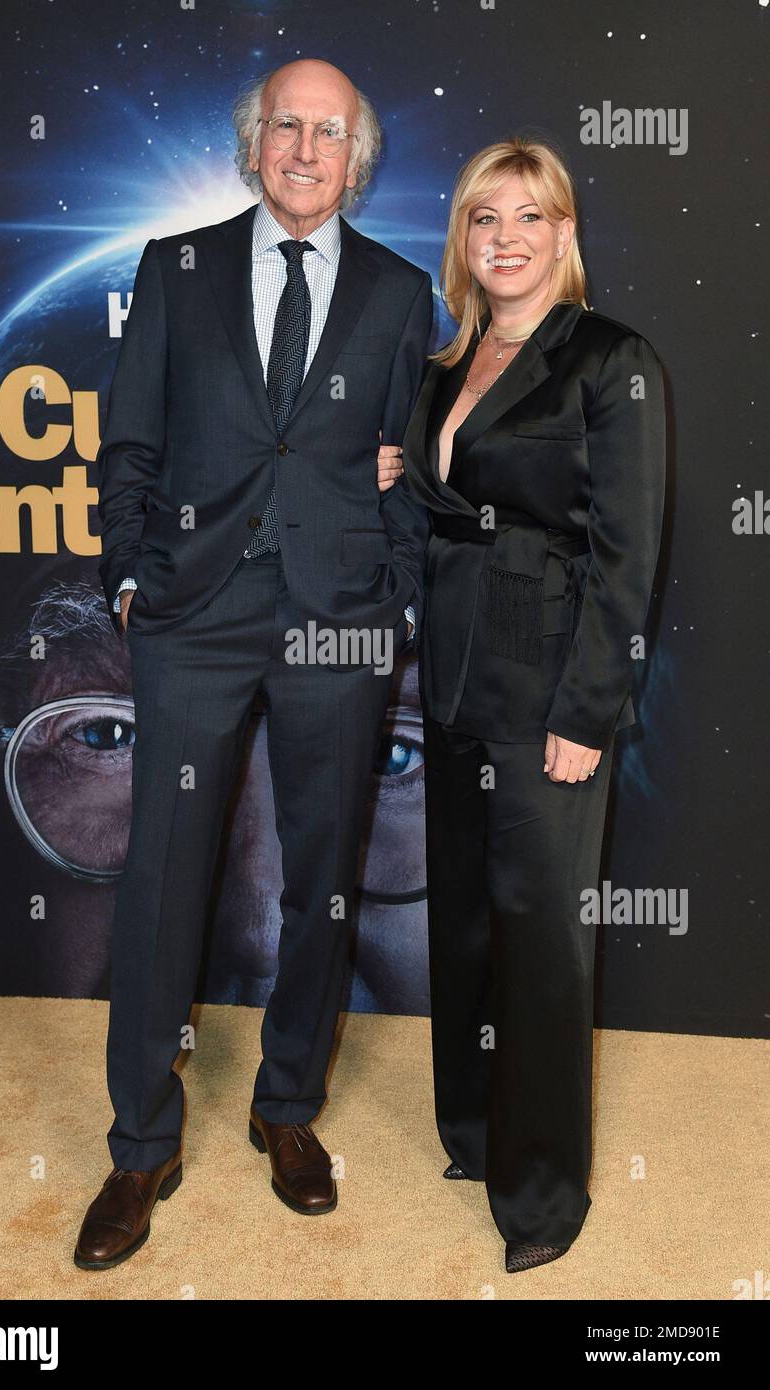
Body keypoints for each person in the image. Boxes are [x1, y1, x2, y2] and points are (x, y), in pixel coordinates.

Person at [75, 58, 432, 1270]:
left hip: (337, 623)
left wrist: (386, 589)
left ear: (353, 158)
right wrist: (129, 576)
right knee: (164, 877)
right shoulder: (175, 271)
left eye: (327, 131)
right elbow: (128, 440)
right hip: (195, 614)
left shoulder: (399, 291)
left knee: (320, 877)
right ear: (254, 142)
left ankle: (287, 1111)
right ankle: (140, 1142)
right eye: (285, 124)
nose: (303, 148)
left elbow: (411, 466)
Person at [381, 137, 666, 1272]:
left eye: (526, 216)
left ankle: (541, 1197)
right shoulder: (449, 362)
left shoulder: (610, 359)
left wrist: (584, 713)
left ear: (562, 234)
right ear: (462, 240)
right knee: (464, 923)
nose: (502, 236)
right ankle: (473, 1130)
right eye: (481, 217)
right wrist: (402, 480)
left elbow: (627, 552)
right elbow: (446, 517)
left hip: (546, 688)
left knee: (540, 942)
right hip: (449, 683)